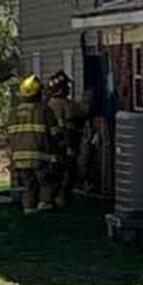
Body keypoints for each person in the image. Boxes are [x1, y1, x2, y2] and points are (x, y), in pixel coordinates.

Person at [6, 75, 57, 213]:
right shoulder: (45, 111)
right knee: (45, 181)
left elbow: (9, 137)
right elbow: (55, 135)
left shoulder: (13, 113)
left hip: (19, 157)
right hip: (40, 155)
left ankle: (29, 208)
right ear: (37, 93)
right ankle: (45, 205)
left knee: (28, 184)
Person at [44, 71, 86, 208]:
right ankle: (61, 199)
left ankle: (50, 200)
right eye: (66, 87)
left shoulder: (48, 104)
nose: (68, 89)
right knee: (68, 173)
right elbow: (79, 115)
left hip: (51, 146)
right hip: (64, 145)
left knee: (54, 175)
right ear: (61, 89)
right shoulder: (65, 105)